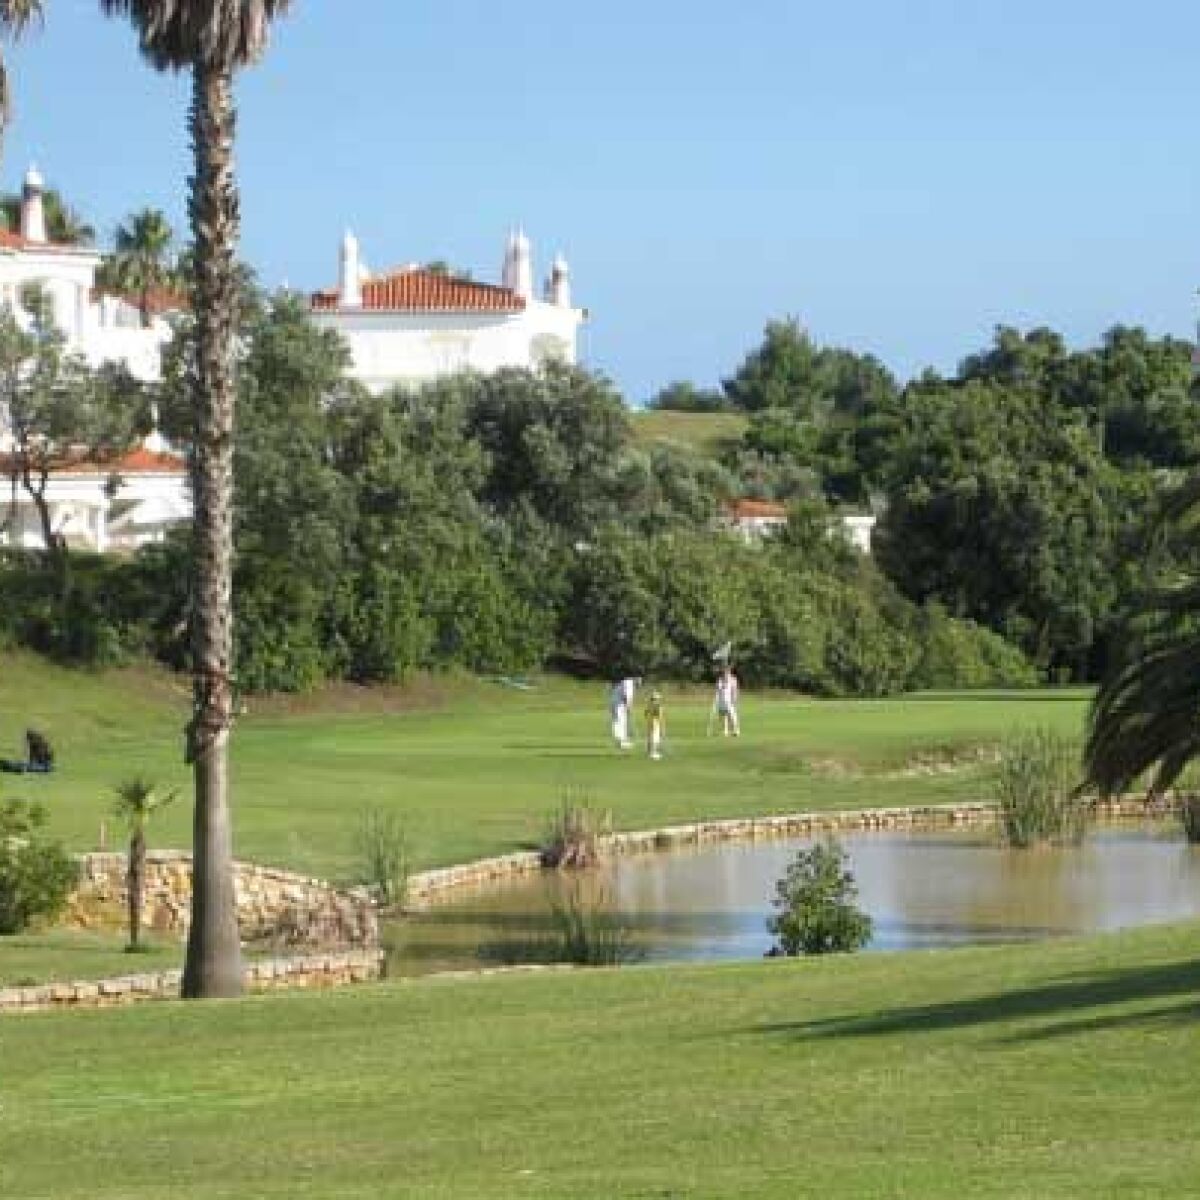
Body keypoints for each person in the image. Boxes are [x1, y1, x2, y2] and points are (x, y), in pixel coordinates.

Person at [610, 675, 639, 749]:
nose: (640, 683)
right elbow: (628, 698)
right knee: (621, 722)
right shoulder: (629, 684)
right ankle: (623, 742)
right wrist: (629, 708)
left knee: (618, 722)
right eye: (639, 680)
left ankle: (620, 741)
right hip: (618, 704)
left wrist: (628, 708)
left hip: (616, 703)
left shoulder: (626, 682)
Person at [714, 665, 740, 738]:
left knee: (732, 716)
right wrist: (717, 698)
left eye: (727, 671)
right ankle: (725, 731)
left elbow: (734, 690)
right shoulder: (720, 680)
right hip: (721, 701)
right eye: (724, 671)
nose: (725, 673)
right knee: (723, 716)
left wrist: (734, 698)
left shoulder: (733, 680)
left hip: (729, 700)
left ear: (729, 671)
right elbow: (717, 689)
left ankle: (735, 730)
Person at [644, 689, 666, 760]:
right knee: (655, 738)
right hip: (655, 722)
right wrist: (662, 728)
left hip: (650, 722)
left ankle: (650, 752)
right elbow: (660, 717)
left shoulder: (649, 705)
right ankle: (654, 753)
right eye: (658, 699)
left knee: (650, 737)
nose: (659, 700)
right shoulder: (658, 706)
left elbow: (645, 714)